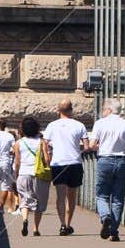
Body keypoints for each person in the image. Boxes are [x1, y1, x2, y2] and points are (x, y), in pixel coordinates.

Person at [86, 98, 125, 243]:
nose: (103, 112)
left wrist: (100, 146)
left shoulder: (100, 124)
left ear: (109, 110)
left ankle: (105, 217)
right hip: (122, 161)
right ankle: (113, 232)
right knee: (117, 198)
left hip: (104, 160)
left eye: (103, 109)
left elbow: (91, 145)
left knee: (102, 195)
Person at [41, 98, 88, 236]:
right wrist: (76, 149)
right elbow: (86, 146)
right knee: (71, 197)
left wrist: (47, 156)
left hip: (58, 163)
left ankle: (61, 224)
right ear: (71, 110)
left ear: (58, 110)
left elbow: (45, 142)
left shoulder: (51, 126)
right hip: (74, 162)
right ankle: (68, 224)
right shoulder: (79, 125)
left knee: (60, 196)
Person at [14, 115, 49, 238]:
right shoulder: (41, 142)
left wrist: (16, 175)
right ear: (36, 128)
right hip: (38, 174)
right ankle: (36, 228)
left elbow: (17, 161)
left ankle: (24, 219)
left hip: (23, 174)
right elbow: (47, 159)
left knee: (24, 200)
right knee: (39, 201)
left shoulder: (18, 143)